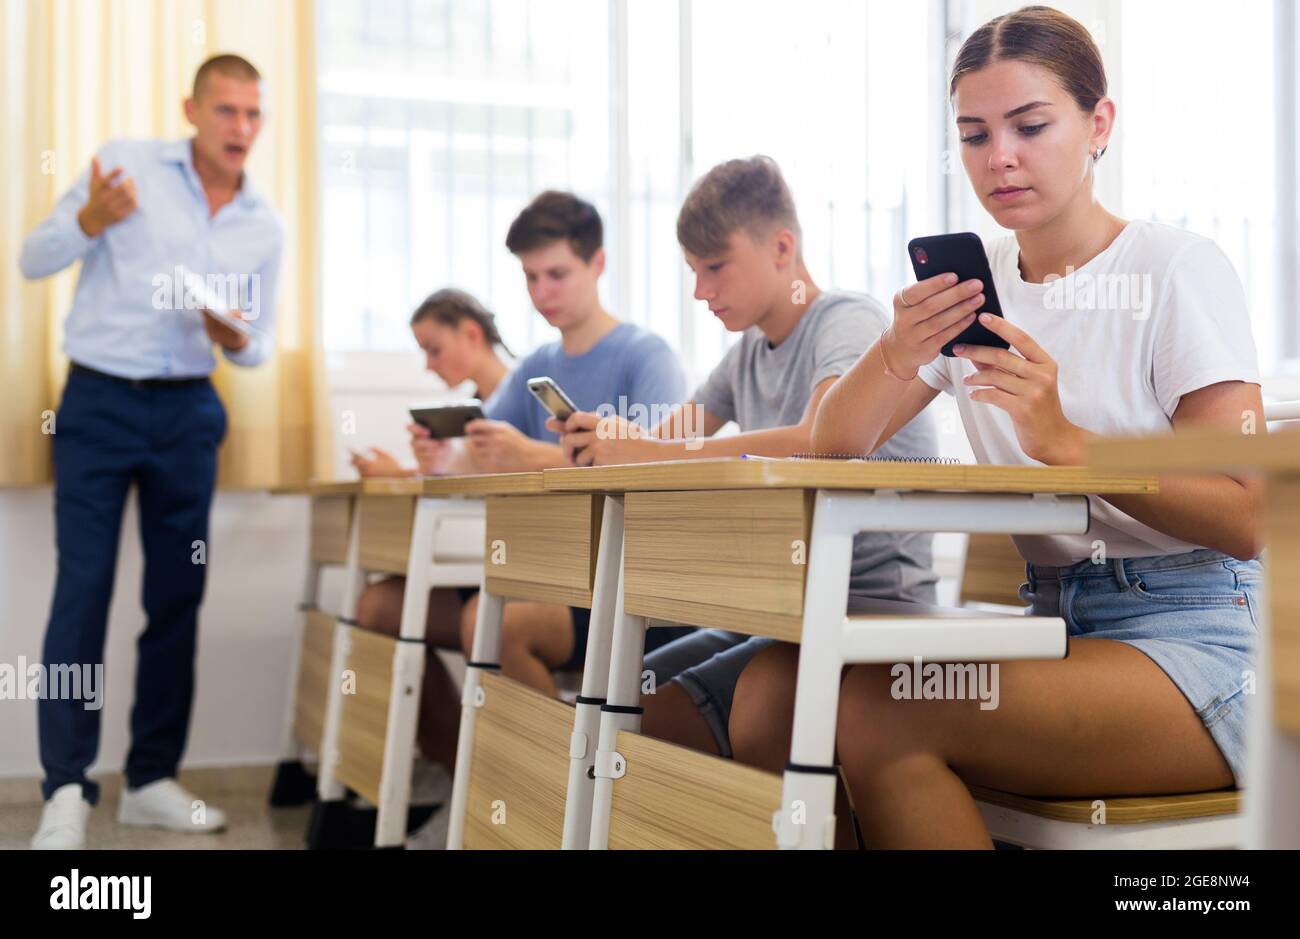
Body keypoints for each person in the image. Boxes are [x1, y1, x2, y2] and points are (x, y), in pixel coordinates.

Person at [731, 5, 1265, 848]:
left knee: (882, 713)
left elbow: (1246, 515)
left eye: (1030, 125)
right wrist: (901, 350)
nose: (1000, 157)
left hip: (1200, 637)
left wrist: (1073, 448)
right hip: (1055, 619)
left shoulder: (1175, 269)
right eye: (974, 134)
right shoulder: (978, 290)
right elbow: (832, 446)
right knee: (771, 697)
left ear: (1099, 126)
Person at [551, 158, 938, 846]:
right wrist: (612, 439)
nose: (700, 290)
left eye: (715, 267)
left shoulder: (847, 320)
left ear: (781, 249)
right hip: (782, 607)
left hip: (867, 605)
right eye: (692, 271)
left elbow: (819, 441)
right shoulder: (746, 354)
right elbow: (668, 442)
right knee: (638, 710)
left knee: (755, 713)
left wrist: (645, 450)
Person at [353, 191, 690, 847]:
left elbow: (660, 478)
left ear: (597, 263)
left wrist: (534, 454)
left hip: (625, 589)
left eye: (556, 274)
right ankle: (481, 783)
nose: (542, 292)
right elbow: (479, 456)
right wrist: (444, 456)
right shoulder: (536, 366)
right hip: (548, 576)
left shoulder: (648, 357)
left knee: (491, 617)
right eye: (530, 277)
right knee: (384, 607)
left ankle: (549, 801)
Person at [19, 54, 284, 849]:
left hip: (188, 413)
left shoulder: (262, 224)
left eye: (252, 115)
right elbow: (34, 257)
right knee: (83, 589)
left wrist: (235, 335)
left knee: (178, 594)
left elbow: (259, 345)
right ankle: (66, 788)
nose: (240, 128)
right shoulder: (126, 164)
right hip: (99, 401)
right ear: (193, 110)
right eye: (226, 111)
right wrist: (88, 221)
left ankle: (150, 780)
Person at [351, 288, 512, 478]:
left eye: (435, 350)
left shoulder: (520, 398)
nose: (428, 366)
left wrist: (398, 472)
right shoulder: (476, 410)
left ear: (472, 334)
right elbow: (468, 466)